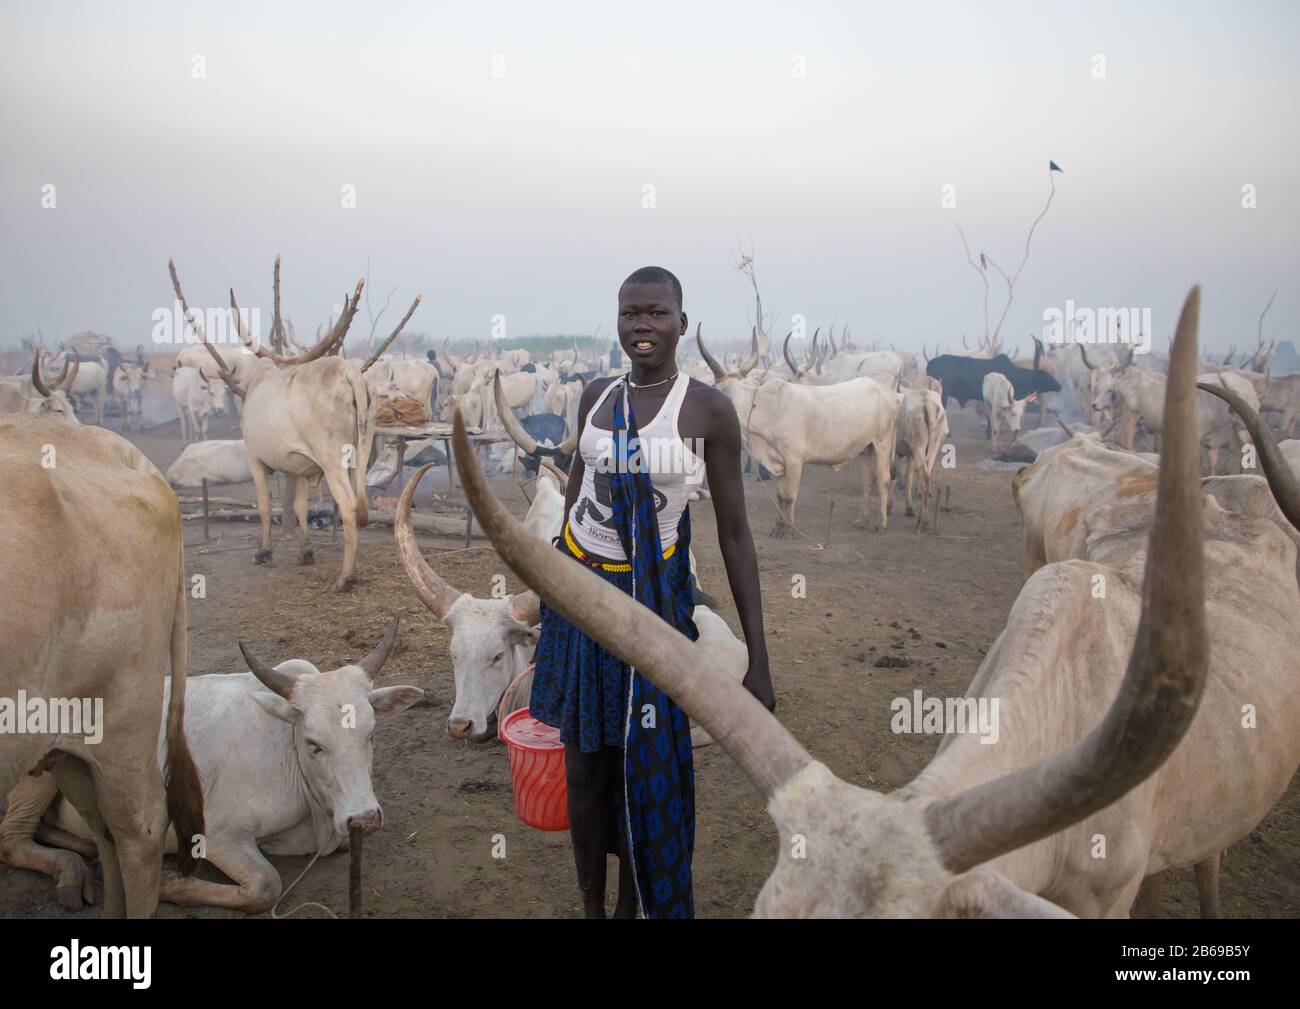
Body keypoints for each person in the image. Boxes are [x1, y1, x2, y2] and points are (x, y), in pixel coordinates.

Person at [529, 265, 774, 919]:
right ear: (617, 320)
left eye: (657, 312)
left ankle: (634, 908)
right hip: (583, 602)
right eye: (631, 312)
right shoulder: (595, 396)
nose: (643, 324)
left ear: (682, 324)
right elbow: (577, 494)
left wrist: (758, 656)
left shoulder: (705, 410)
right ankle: (592, 907)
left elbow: (736, 534)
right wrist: (551, 597)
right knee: (583, 772)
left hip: (650, 611)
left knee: (643, 772)